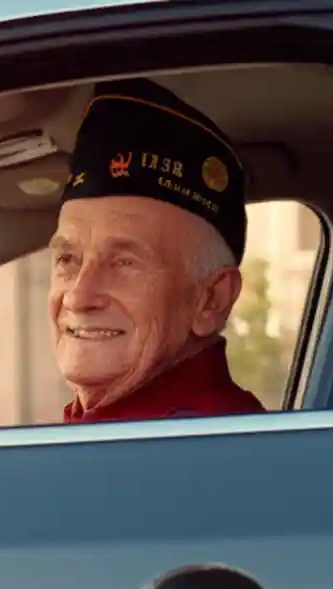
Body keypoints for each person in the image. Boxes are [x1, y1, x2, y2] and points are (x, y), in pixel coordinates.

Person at [49, 78, 267, 423]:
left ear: (212, 300)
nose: (78, 297)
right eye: (67, 259)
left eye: (124, 262)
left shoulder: (199, 452)